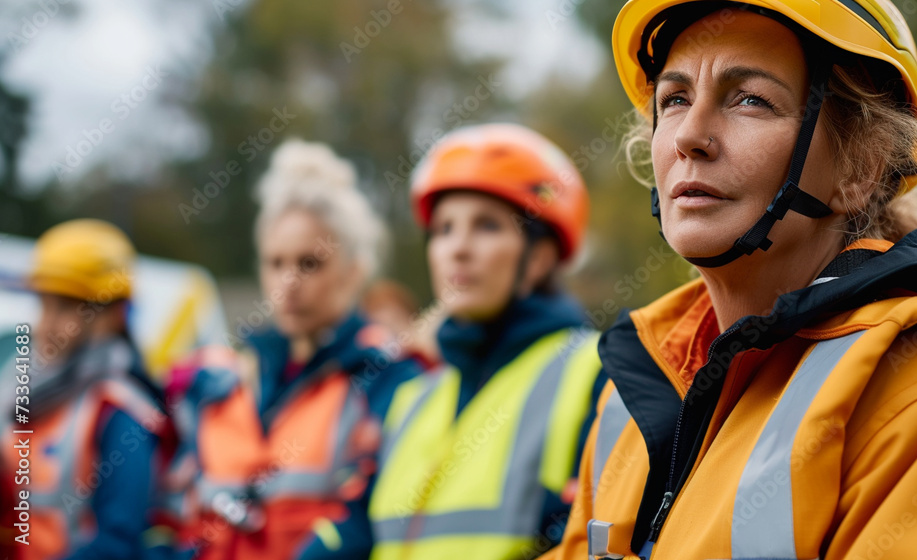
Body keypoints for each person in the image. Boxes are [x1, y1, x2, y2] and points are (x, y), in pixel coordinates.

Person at [544, 1, 917, 559]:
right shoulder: (638, 382)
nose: (690, 135)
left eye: (750, 99)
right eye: (675, 99)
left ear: (861, 168)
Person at [169, 140, 421, 560]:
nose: (289, 282)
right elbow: (179, 513)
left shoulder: (390, 376)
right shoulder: (227, 382)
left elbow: (375, 521)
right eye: (276, 263)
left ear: (353, 271)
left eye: (310, 264)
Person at [368, 123, 608, 560]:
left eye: (487, 226)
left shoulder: (596, 370)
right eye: (443, 229)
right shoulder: (409, 401)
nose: (457, 248)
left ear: (538, 258)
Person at [0, 219, 174, 560]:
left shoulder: (121, 413)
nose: (47, 323)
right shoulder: (26, 396)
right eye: (44, 304)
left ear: (115, 313)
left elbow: (117, 544)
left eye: (66, 306)